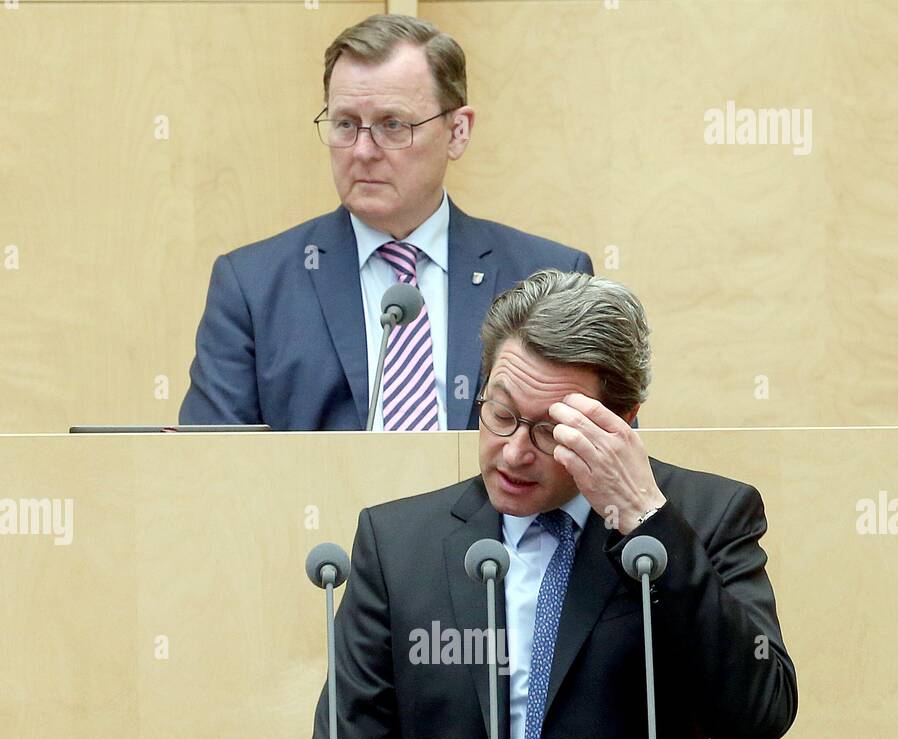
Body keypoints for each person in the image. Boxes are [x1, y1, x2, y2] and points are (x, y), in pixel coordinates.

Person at [301, 270, 798, 739]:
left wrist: (644, 518)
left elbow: (757, 715)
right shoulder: (399, 546)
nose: (512, 452)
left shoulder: (702, 519)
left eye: (549, 431)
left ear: (621, 421)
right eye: (501, 414)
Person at [179, 14, 593, 431]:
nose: (362, 150)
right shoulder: (252, 285)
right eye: (345, 124)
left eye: (392, 125)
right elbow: (211, 470)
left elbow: (601, 462)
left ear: (457, 132)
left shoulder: (551, 280)